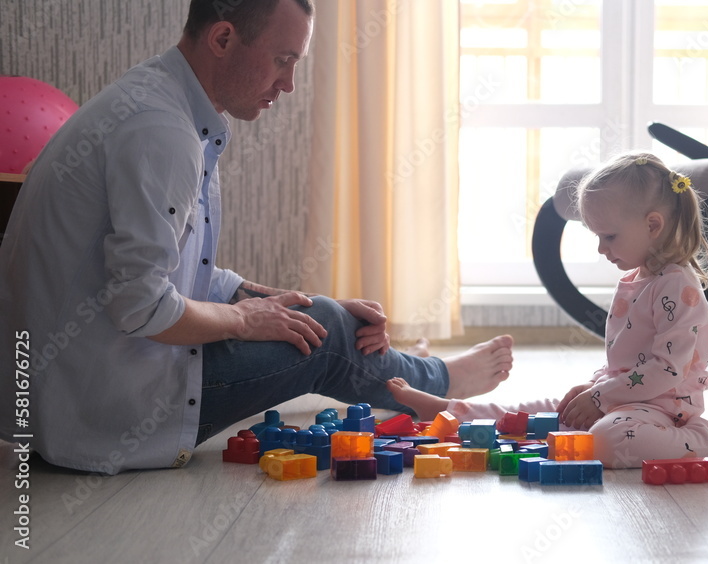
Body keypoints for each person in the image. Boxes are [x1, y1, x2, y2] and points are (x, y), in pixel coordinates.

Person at [0, 0, 513, 475]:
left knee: (322, 315)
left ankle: (423, 373)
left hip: (53, 395)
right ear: (223, 38)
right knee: (329, 336)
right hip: (101, 412)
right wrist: (247, 320)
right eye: (282, 60)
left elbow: (183, 275)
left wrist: (290, 302)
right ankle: (439, 382)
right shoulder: (164, 133)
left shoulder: (153, 101)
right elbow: (141, 306)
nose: (288, 84)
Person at [388, 151, 708, 468]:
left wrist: (601, 395)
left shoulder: (677, 286)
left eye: (609, 236)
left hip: (663, 411)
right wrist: (594, 385)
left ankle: (705, 438)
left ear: (653, 225)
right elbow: (626, 359)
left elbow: (667, 370)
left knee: (604, 441)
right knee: (541, 411)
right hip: (621, 398)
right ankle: (450, 412)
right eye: (597, 237)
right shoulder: (638, 278)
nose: (601, 249)